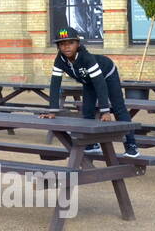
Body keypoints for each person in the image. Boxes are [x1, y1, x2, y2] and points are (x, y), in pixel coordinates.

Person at [39, 26, 139, 157]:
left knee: (119, 108)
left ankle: (131, 146)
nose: (66, 47)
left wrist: (105, 111)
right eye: (62, 44)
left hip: (107, 73)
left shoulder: (86, 57)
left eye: (70, 43)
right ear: (58, 47)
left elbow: (100, 83)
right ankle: (92, 144)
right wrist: (52, 111)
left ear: (78, 44)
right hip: (88, 81)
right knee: (87, 111)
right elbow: (55, 84)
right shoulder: (60, 60)